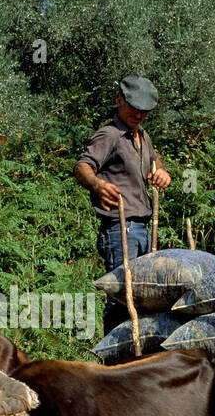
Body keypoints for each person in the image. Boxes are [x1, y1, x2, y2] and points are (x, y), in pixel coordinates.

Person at [74, 74, 172, 334]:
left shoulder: (142, 136)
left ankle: (132, 360)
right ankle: (113, 365)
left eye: (144, 111)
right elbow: (82, 166)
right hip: (120, 230)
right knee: (120, 299)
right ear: (119, 101)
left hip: (142, 228)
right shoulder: (110, 135)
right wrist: (97, 185)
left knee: (141, 296)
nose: (139, 115)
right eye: (134, 108)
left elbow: (155, 161)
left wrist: (161, 172)